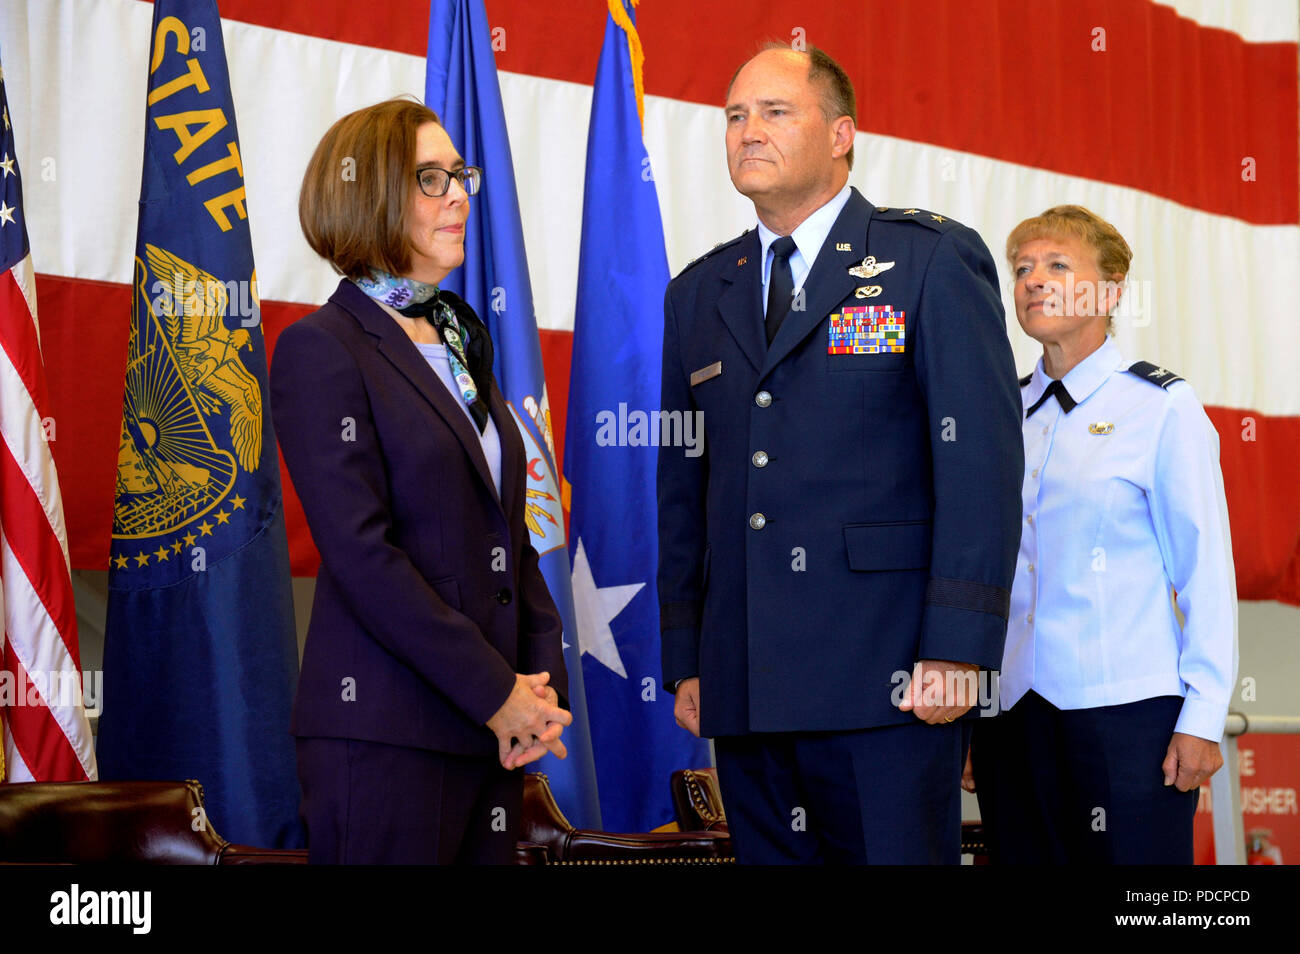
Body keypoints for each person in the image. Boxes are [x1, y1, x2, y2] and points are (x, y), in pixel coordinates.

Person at [657, 45, 1024, 864]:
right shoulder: (699, 291)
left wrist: (959, 647)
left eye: (776, 112)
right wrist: (687, 654)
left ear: (842, 134)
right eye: (735, 116)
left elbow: (982, 470)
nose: (748, 131)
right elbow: (683, 486)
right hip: (744, 679)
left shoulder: (927, 261)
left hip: (888, 677)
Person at [270, 98, 571, 864]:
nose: (460, 195)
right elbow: (364, 557)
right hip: (385, 735)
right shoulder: (322, 349)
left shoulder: (463, 339)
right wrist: (494, 691)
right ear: (366, 194)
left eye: (458, 174)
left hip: (489, 732)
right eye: (430, 179)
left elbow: (512, 531)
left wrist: (538, 692)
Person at [967, 205, 1237, 864]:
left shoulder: (1160, 407)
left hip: (1127, 717)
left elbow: (1204, 571)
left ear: (1111, 291)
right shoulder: (1001, 413)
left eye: (1057, 265)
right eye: (1023, 268)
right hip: (1015, 716)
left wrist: (1203, 718)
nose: (1033, 281)